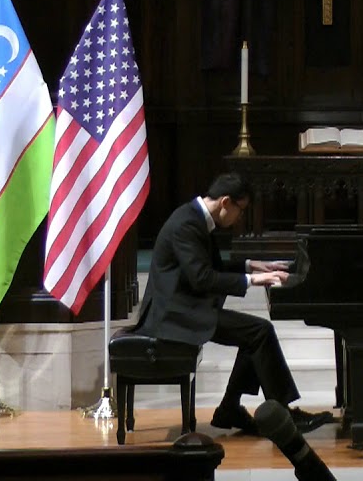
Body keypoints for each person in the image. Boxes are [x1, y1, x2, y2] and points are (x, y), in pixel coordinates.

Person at [132, 172, 333, 435]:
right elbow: (202, 278)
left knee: (254, 334)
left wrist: (251, 265)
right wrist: (253, 280)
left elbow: (210, 267)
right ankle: (281, 415)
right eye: (241, 209)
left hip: (185, 307)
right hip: (175, 314)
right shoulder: (187, 224)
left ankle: (230, 408)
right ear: (225, 202)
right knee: (259, 332)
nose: (240, 217)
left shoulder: (195, 217)